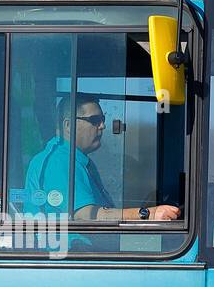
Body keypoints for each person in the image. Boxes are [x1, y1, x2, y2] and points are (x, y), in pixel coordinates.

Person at [22, 94, 180, 222]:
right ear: (68, 126)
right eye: (95, 120)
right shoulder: (58, 162)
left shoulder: (76, 160)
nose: (103, 126)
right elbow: (87, 215)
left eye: (103, 120)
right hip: (74, 253)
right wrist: (147, 214)